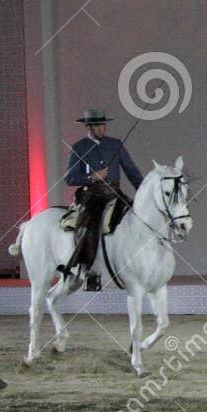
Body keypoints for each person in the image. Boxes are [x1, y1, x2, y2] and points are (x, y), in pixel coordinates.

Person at [61, 107, 142, 291]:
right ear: (88, 127)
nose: (102, 129)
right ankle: (88, 269)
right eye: (97, 125)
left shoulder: (115, 144)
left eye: (103, 125)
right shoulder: (79, 147)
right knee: (92, 225)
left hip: (115, 193)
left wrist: (144, 191)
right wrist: (92, 177)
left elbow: (131, 170)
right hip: (93, 195)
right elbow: (69, 178)